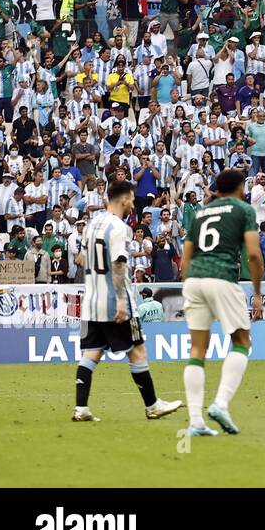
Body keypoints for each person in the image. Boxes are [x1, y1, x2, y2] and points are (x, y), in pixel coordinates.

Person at [71, 179, 181, 423]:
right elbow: (119, 263)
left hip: (91, 303)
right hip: (114, 302)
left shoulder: (90, 225)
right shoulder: (119, 227)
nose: (133, 203)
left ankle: (81, 408)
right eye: (132, 198)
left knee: (92, 353)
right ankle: (152, 405)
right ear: (122, 199)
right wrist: (121, 301)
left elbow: (80, 259)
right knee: (138, 350)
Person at [179, 169, 263, 435]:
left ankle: (195, 421)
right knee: (241, 342)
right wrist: (258, 293)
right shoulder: (243, 209)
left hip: (193, 280)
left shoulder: (201, 212)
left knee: (197, 350)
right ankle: (220, 404)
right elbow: (253, 254)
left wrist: (190, 282)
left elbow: (185, 259)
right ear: (239, 188)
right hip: (222, 278)